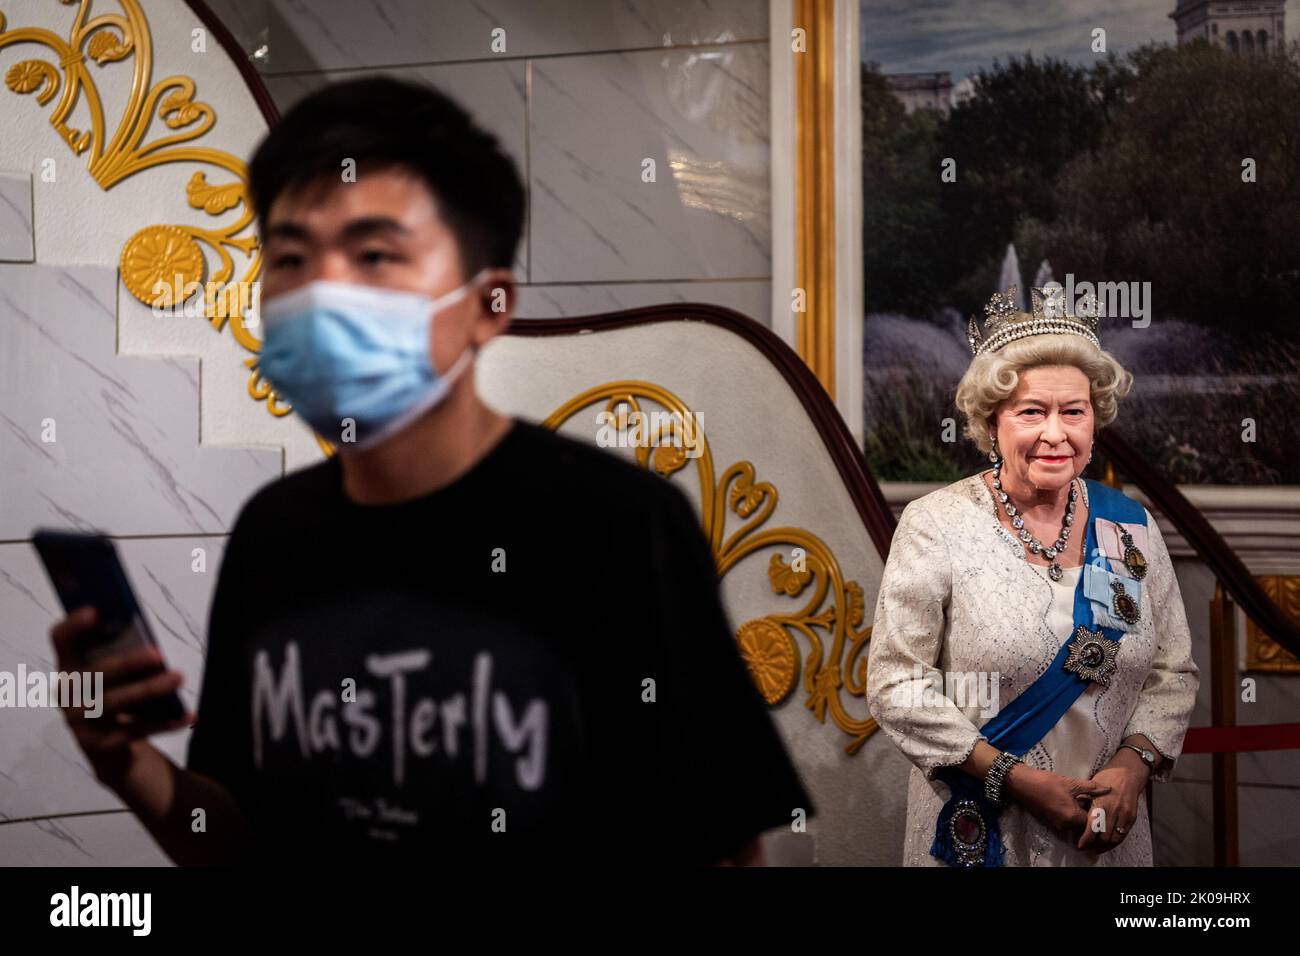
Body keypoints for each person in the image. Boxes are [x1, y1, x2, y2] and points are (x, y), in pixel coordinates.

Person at [49, 76, 810, 865]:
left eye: (375, 255)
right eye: (289, 257)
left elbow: (723, 853)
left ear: (488, 305)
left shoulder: (617, 526)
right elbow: (239, 842)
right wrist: (123, 761)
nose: (322, 293)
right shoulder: (272, 533)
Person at [865, 285, 1199, 866]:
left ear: (1095, 422)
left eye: (1074, 411)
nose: (1055, 432)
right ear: (992, 424)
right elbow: (897, 685)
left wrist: (1133, 765)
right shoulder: (937, 525)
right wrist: (1014, 778)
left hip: (1106, 836)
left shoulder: (1125, 527)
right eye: (1031, 412)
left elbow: (1173, 672)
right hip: (984, 827)